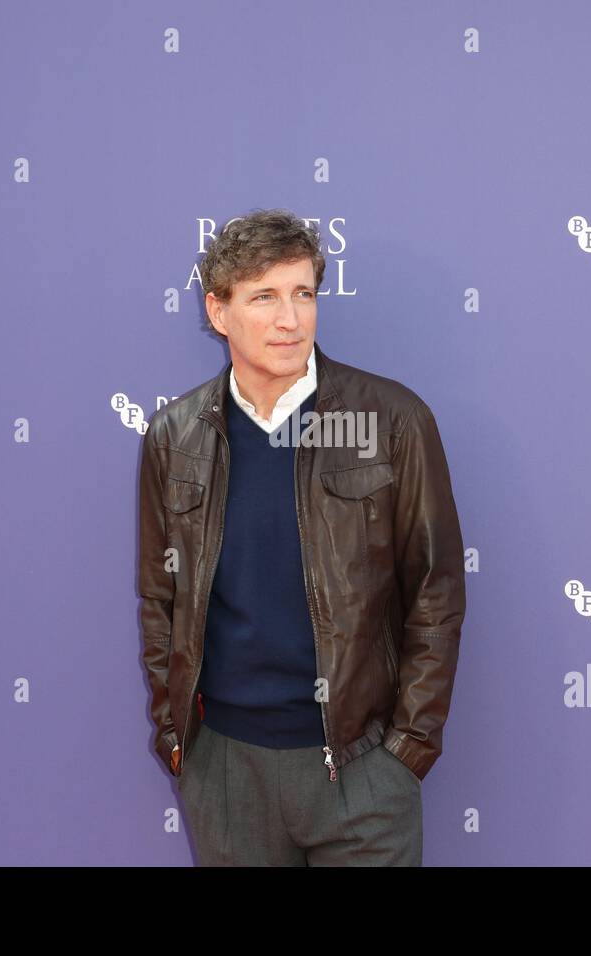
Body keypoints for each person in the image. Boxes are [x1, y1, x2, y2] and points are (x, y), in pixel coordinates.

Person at [137, 208, 466, 865]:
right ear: (218, 311)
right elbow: (159, 601)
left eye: (303, 294)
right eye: (264, 297)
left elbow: (436, 591)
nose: (290, 320)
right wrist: (178, 738)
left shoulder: (393, 420)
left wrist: (405, 748)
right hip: (227, 771)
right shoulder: (175, 436)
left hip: (362, 772)